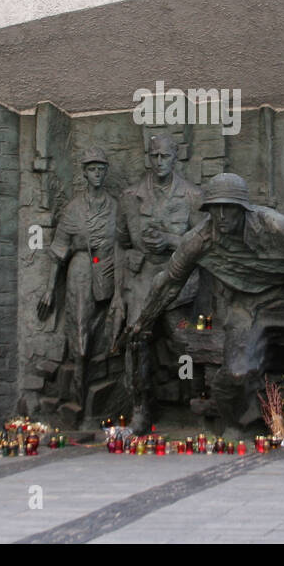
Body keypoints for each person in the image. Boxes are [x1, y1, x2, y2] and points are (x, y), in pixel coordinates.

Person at [122, 172, 284, 430]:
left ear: (244, 209)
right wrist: (143, 320)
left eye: (229, 209)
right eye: (216, 209)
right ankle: (242, 427)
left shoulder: (276, 227)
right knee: (236, 375)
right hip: (244, 307)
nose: (222, 217)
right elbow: (168, 282)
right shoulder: (200, 239)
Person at [112, 135, 203, 434]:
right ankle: (141, 410)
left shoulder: (192, 196)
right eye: (155, 156)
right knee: (137, 341)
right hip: (142, 281)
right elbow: (120, 243)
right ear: (148, 158)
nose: (160, 162)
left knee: (186, 344)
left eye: (166, 156)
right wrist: (118, 292)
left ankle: (199, 402)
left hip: (178, 282)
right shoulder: (130, 197)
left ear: (176, 158)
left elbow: (203, 243)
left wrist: (170, 240)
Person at [37, 148, 119, 417]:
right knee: (80, 331)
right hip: (81, 271)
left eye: (101, 169)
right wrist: (49, 289)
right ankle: (79, 396)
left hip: (106, 271)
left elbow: (124, 244)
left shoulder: (114, 206)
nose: (97, 173)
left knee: (104, 332)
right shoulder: (73, 209)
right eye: (92, 169)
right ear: (84, 173)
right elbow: (58, 250)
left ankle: (98, 397)